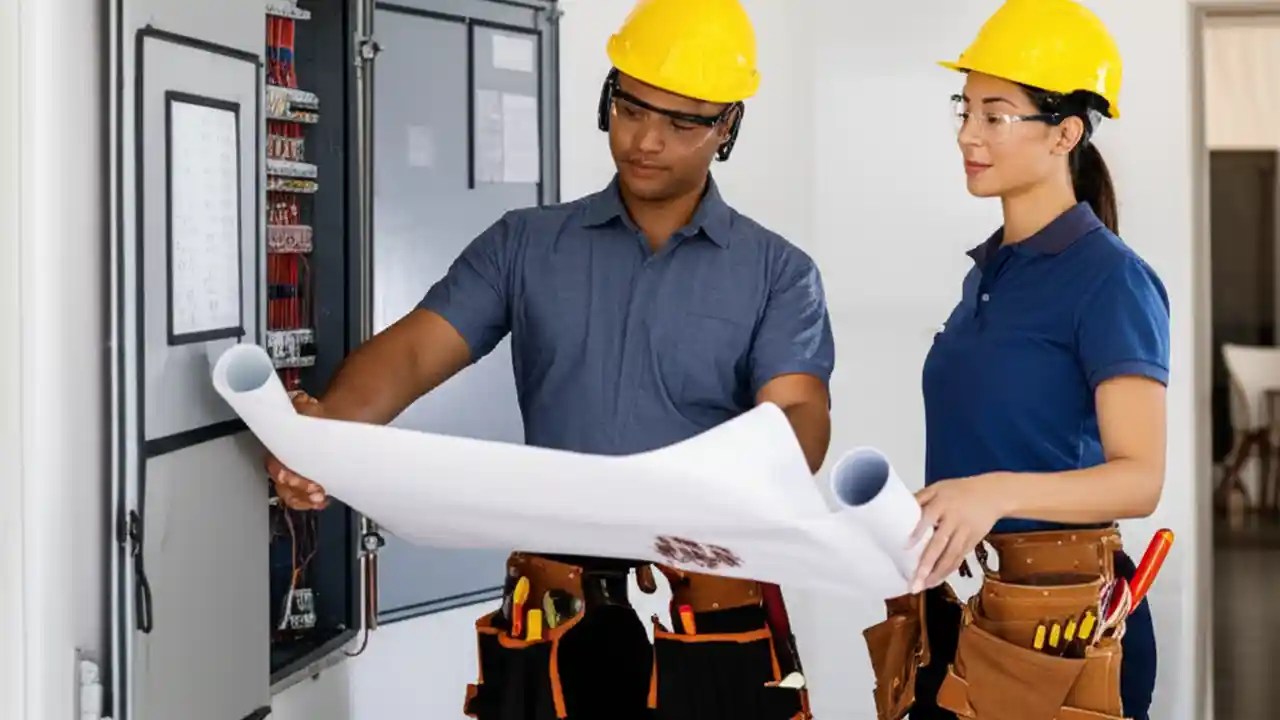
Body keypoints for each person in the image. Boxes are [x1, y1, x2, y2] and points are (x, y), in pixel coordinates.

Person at [267, 0, 833, 717]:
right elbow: (411, 355)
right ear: (607, 101)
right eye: (630, 109)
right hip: (556, 615)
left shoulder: (778, 273)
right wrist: (322, 440)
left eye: (682, 121)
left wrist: (771, 460)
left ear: (727, 127)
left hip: (707, 612)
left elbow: (798, 409)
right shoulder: (526, 246)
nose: (647, 139)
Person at [861, 2, 1167, 720]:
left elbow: (1140, 478)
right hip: (967, 617)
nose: (968, 134)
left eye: (995, 115)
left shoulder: (1111, 279)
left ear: (1065, 133)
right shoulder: (989, 274)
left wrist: (990, 492)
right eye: (963, 109)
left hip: (1055, 636)